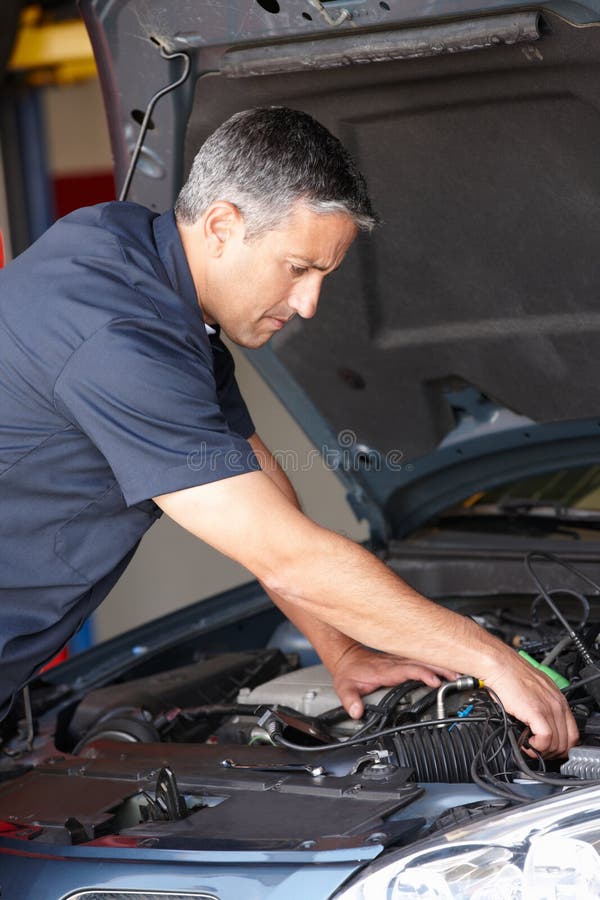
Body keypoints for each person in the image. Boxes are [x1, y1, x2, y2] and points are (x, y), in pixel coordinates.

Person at [0, 107, 577, 756]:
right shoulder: (121, 337)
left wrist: (342, 653)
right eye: (299, 268)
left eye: (322, 276)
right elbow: (288, 558)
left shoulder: (141, 270)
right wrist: (496, 663)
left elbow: (269, 507)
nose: (308, 305)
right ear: (222, 225)